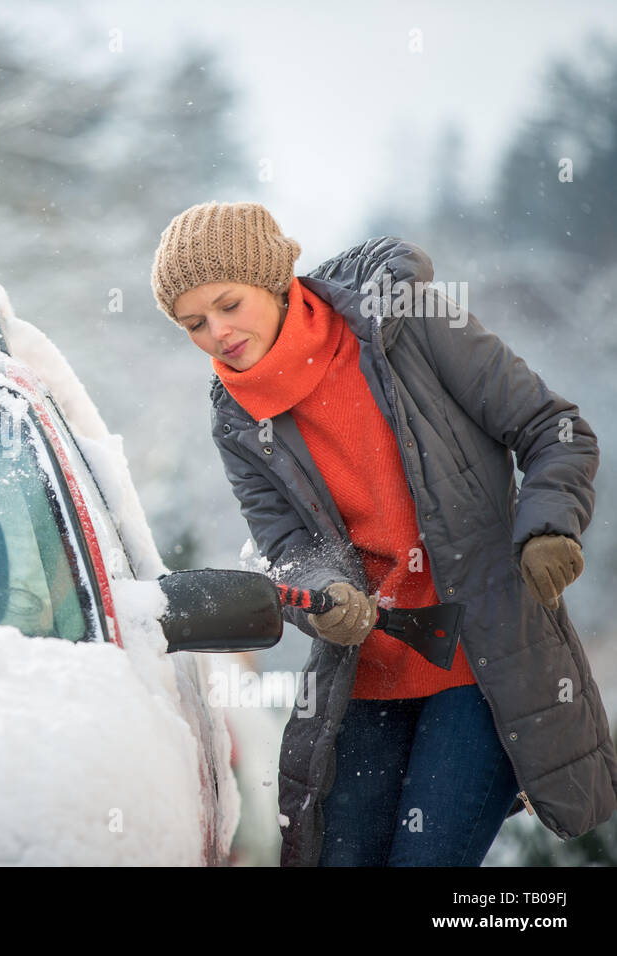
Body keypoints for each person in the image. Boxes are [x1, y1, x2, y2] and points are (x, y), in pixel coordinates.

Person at [150, 200, 617, 866]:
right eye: (193, 323)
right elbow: (291, 548)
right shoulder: (235, 420)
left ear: (274, 281)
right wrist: (328, 592)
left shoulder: (407, 325)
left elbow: (555, 429)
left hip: (478, 664)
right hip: (367, 674)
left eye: (228, 304)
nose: (217, 333)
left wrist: (549, 528)